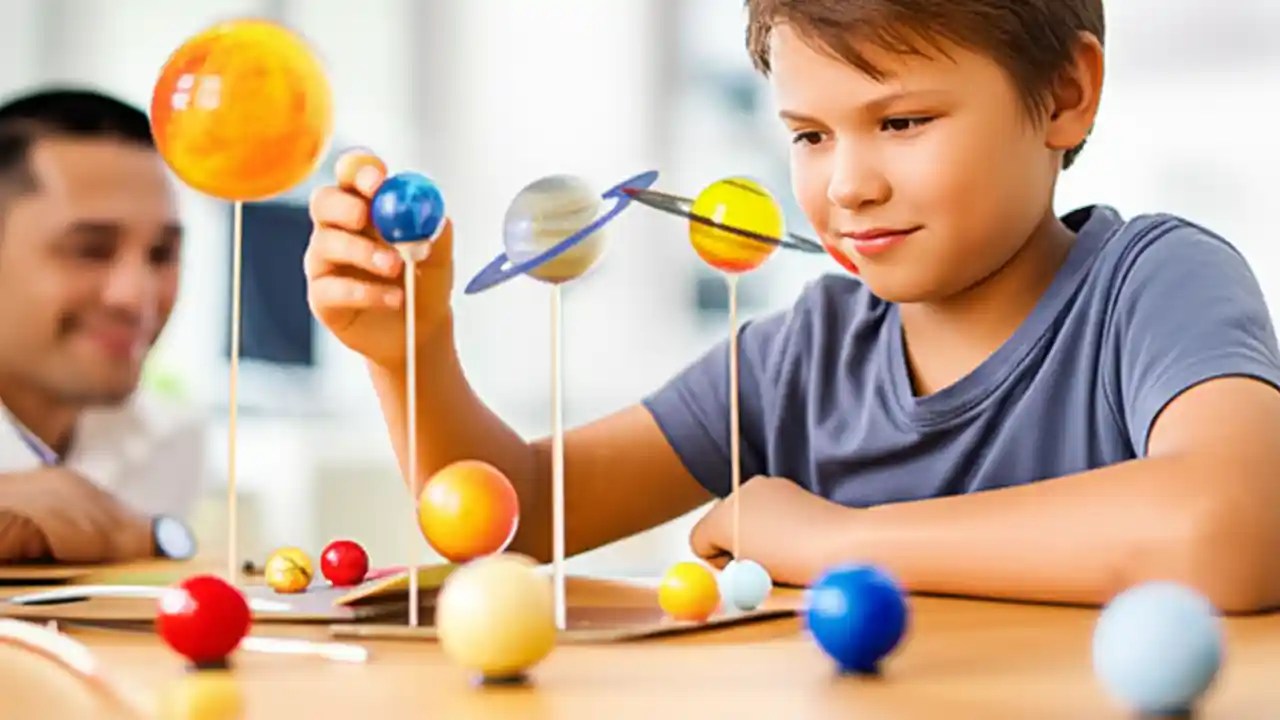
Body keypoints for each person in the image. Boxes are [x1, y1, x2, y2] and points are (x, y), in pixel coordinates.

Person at [305, 0, 1280, 612]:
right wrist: (411, 354)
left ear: (1066, 94)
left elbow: (1235, 527)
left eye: (902, 121)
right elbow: (516, 514)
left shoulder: (1153, 286)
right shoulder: (799, 359)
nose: (847, 185)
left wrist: (838, 542)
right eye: (810, 135)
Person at [0, 88, 202, 564]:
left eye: (162, 254)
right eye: (90, 250)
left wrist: (149, 535)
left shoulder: (169, 443)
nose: (137, 297)